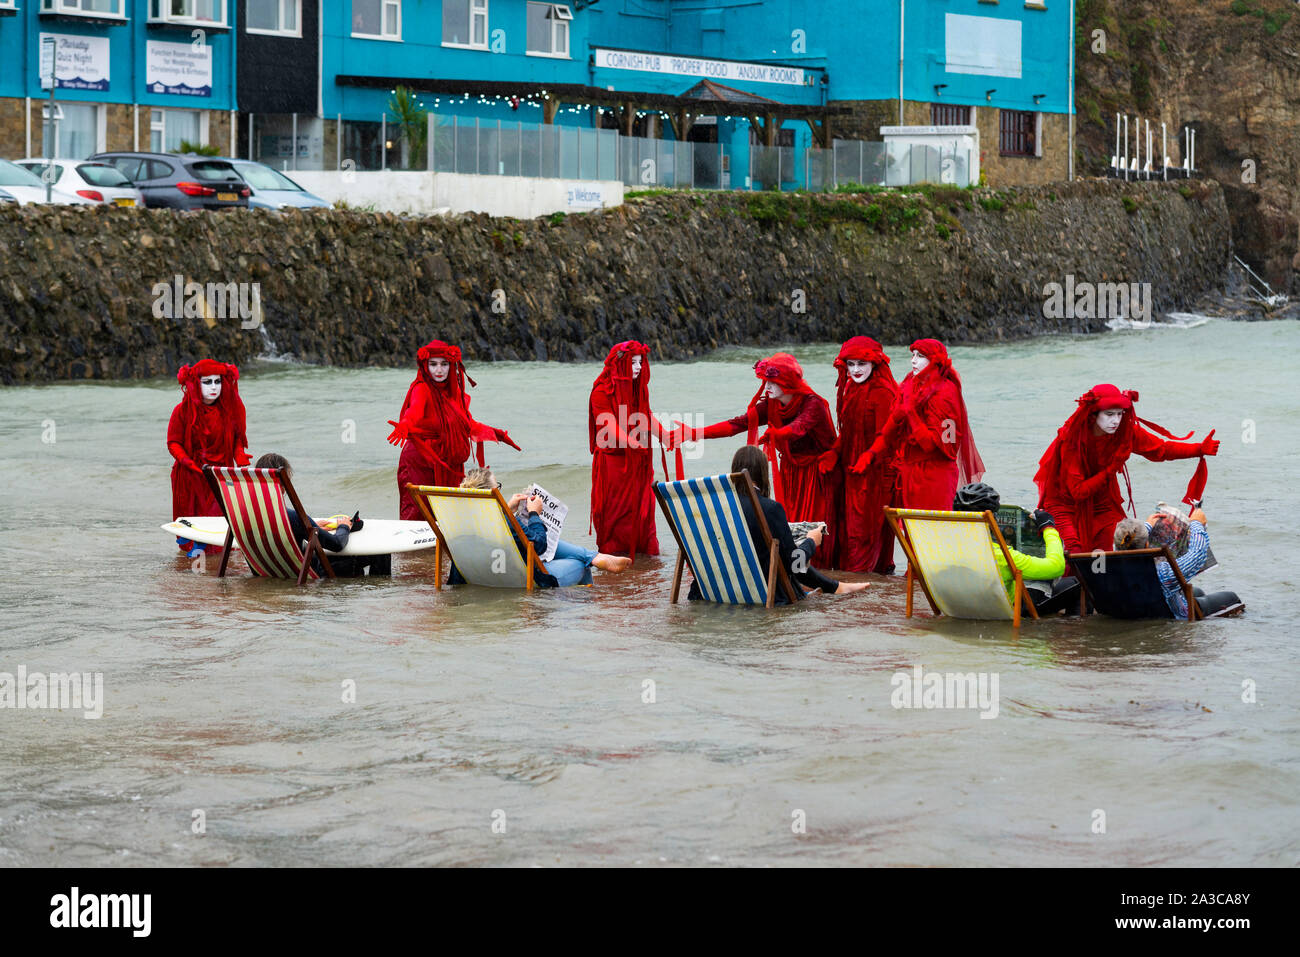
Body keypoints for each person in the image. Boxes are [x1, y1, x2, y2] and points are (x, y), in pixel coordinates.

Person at [672, 353, 839, 560]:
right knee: (795, 522)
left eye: (772, 382)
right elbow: (737, 424)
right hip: (791, 470)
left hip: (818, 472)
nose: (766, 387)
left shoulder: (814, 403)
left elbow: (798, 427)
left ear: (787, 383)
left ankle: (820, 571)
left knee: (817, 522)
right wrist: (697, 432)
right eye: (765, 382)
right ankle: (800, 570)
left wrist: (776, 434)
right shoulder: (772, 404)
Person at [1033, 384, 1219, 554]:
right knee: (1074, 551)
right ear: (1093, 414)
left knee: (1121, 543)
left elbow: (1160, 449)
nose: (1116, 420)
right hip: (1065, 502)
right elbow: (1078, 491)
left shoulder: (1124, 431)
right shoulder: (1072, 439)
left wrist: (1198, 449)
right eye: (1109, 414)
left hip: (1103, 501)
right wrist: (1112, 467)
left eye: (1120, 414)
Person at [686, 446, 868, 603]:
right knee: (792, 557)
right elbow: (795, 565)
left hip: (713, 592)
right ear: (763, 474)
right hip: (762, 595)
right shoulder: (769, 509)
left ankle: (835, 586)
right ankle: (836, 587)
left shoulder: (710, 509)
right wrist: (811, 542)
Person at [387, 341, 520, 520]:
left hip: (449, 460)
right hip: (422, 460)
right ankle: (412, 549)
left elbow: (468, 424)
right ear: (425, 366)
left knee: (450, 513)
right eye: (433, 364)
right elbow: (415, 410)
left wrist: (497, 434)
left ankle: (445, 547)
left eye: (444, 364)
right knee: (418, 513)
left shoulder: (454, 391)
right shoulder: (422, 388)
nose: (439, 370)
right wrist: (405, 424)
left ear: (452, 365)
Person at [852, 339, 984, 512]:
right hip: (909, 473)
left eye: (920, 356)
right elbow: (893, 423)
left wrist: (911, 413)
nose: (913, 360)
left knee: (934, 530)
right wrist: (871, 453)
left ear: (935, 361)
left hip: (936, 476)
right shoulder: (910, 383)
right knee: (910, 531)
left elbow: (934, 444)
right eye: (913, 355)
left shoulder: (946, 393)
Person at [449, 468, 632, 588]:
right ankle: (588, 612)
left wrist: (509, 510)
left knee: (558, 548)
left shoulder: (458, 522)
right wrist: (534, 513)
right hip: (522, 580)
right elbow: (538, 545)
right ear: (492, 493)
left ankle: (596, 557)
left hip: (481, 576)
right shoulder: (502, 521)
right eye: (498, 487)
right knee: (581, 566)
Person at [588, 341, 675, 559]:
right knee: (615, 515)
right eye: (633, 362)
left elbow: (646, 414)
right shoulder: (601, 390)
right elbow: (606, 422)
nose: (638, 367)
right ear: (620, 363)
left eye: (640, 362)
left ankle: (645, 559)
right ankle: (615, 558)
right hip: (613, 466)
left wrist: (664, 435)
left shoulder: (638, 389)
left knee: (644, 512)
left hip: (639, 463)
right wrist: (629, 440)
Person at [822, 336, 899, 573]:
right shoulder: (851, 388)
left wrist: (868, 457)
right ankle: (867, 578)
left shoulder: (883, 393)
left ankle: (859, 581)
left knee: (864, 529)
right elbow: (848, 430)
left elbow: (886, 437)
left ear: (874, 364)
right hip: (852, 468)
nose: (855, 370)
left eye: (861, 364)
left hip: (876, 472)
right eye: (851, 364)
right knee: (848, 526)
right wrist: (834, 452)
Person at [250, 453, 389, 577]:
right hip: (313, 574)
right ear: (282, 485)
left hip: (274, 572)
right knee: (381, 552)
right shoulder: (292, 518)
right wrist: (344, 527)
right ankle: (380, 597)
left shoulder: (244, 517)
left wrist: (313, 529)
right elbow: (337, 544)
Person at [167, 359, 250, 558]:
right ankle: (199, 572)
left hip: (220, 476)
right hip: (191, 477)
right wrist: (188, 462)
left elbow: (238, 437)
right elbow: (173, 442)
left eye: (217, 381)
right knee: (194, 529)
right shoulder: (182, 411)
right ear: (196, 383)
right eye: (207, 382)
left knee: (220, 526)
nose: (214, 387)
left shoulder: (230, 411)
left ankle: (219, 562)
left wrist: (239, 455)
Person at [951, 483, 1073, 610]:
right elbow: (1056, 567)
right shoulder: (1000, 556)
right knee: (1075, 584)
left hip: (963, 608)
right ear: (991, 519)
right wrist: (1048, 528)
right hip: (1004, 611)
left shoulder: (942, 550)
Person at [1114, 509, 1241, 618]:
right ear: (1147, 544)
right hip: (1169, 614)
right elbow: (1197, 554)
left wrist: (1147, 525)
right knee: (1232, 597)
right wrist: (1196, 523)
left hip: (1133, 608)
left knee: (1198, 592)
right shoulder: (1162, 573)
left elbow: (1126, 544)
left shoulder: (1110, 568)